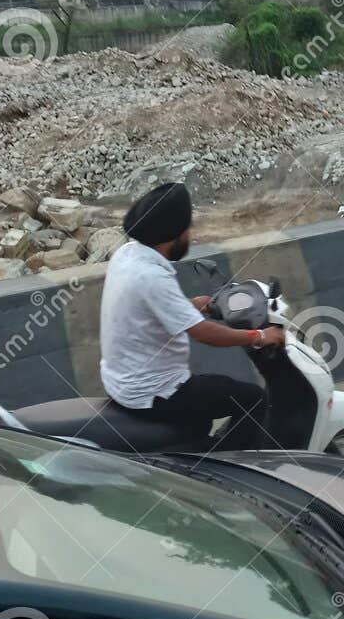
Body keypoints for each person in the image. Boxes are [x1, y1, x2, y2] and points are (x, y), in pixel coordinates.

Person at [100, 182, 286, 450]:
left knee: (214, 396)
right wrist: (258, 336)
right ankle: (228, 468)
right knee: (253, 398)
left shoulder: (127, 256)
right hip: (155, 392)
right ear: (172, 235)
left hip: (122, 382)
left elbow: (147, 308)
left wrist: (191, 305)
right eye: (187, 229)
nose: (190, 234)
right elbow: (204, 333)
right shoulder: (153, 277)